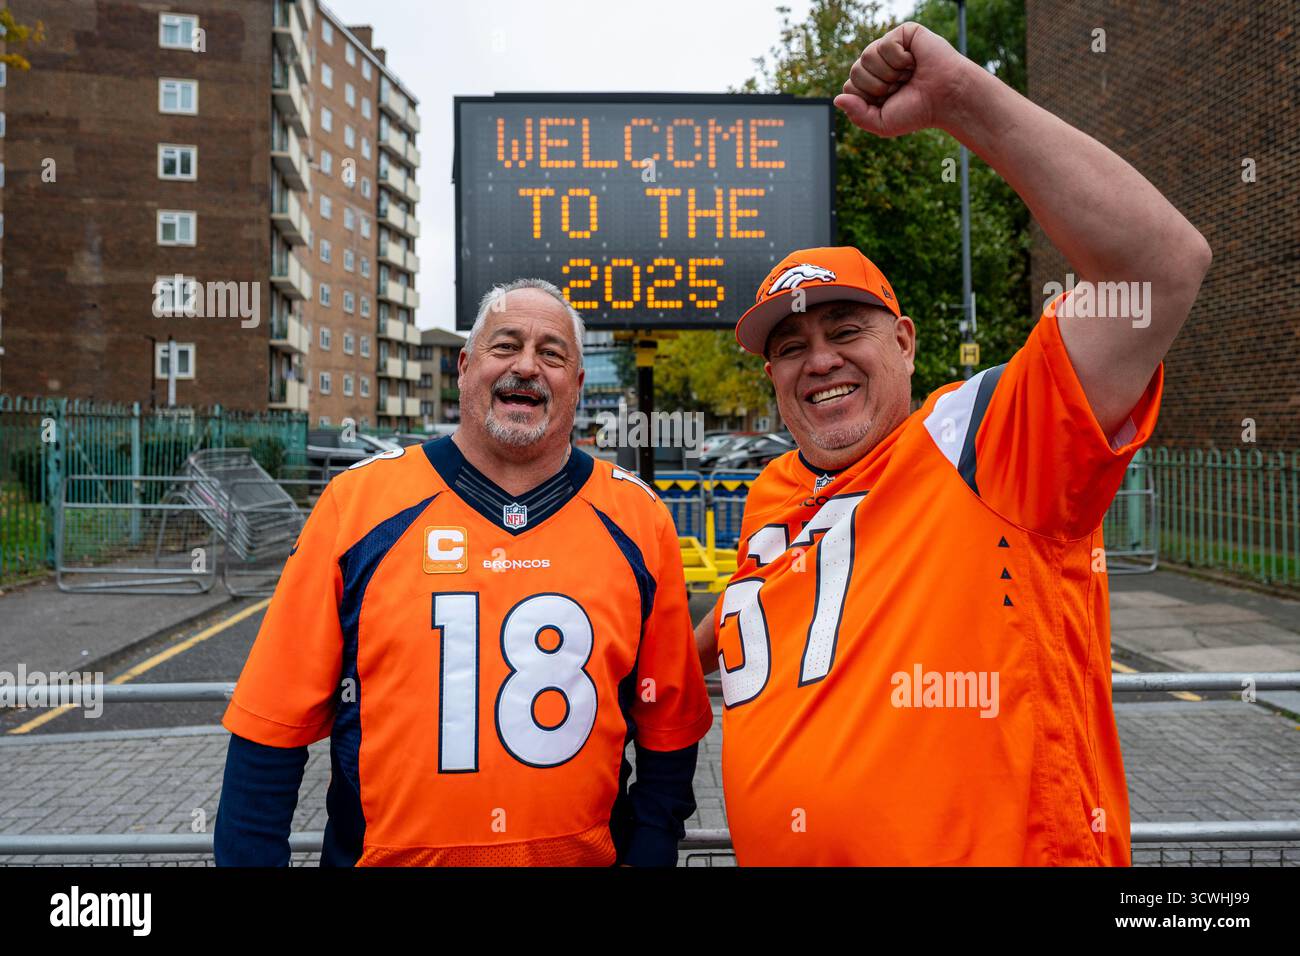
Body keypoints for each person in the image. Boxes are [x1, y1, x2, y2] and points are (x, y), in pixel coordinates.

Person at [695, 22, 1211, 865]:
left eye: (844, 328)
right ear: (771, 381)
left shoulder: (983, 439)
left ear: (903, 341)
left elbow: (1158, 269)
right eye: (789, 347)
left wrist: (964, 103)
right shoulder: (780, 492)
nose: (818, 359)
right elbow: (810, 601)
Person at [216, 278, 712, 866]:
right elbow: (269, 733)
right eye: (505, 346)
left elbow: (668, 730)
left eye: (552, 353)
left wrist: (649, 853)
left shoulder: (638, 517)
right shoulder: (357, 506)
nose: (527, 367)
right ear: (463, 365)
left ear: (577, 385)